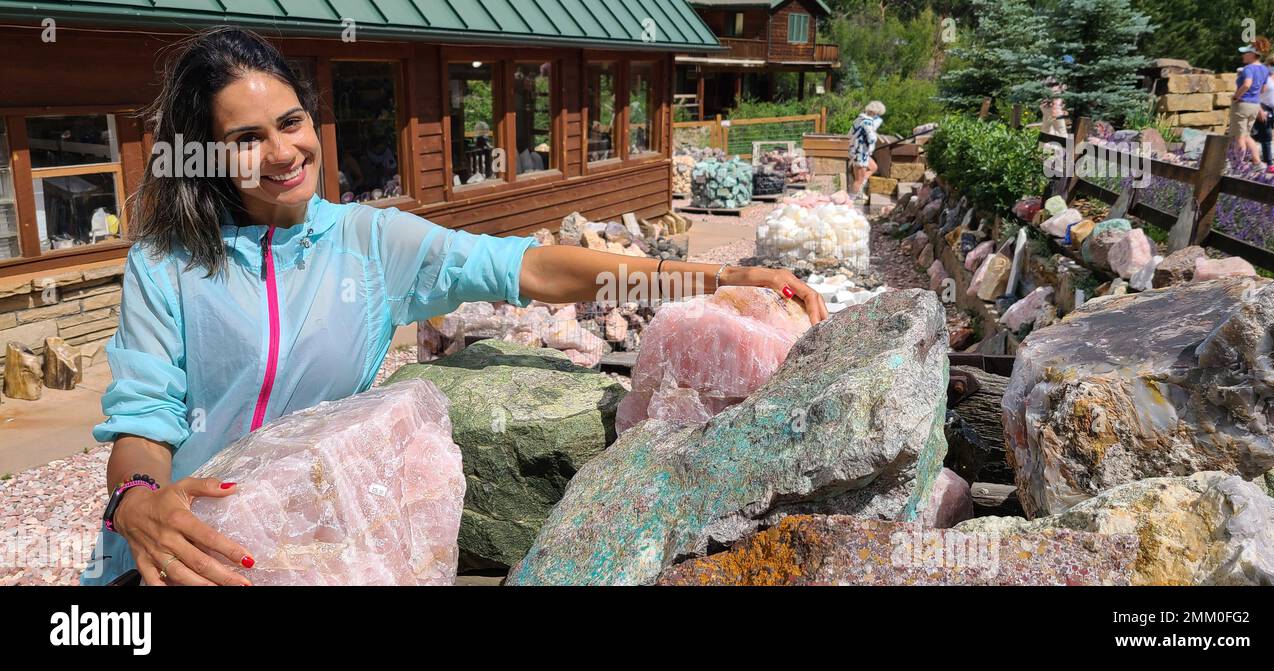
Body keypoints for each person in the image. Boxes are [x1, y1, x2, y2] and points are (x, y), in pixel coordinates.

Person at [81, 26, 827, 586]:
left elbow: (534, 270)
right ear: (204, 155)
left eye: (290, 123)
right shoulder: (166, 264)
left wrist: (712, 278)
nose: (282, 153)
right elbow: (144, 423)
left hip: (316, 547)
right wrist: (139, 500)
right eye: (245, 139)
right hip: (181, 555)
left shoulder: (373, 243)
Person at [1230, 38, 1274, 171]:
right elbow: (1264, 88)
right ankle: (1257, 163)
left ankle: (1237, 165)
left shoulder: (1248, 69)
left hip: (1243, 104)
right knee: (1246, 135)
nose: (1243, 55)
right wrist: (1255, 96)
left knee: (1239, 137)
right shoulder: (1265, 70)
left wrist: (1236, 96)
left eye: (1245, 52)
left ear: (1252, 54)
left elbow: (1247, 84)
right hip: (1254, 105)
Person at [849, 101, 885, 200]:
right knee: (858, 180)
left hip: (857, 151)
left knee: (873, 167)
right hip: (861, 152)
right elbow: (872, 138)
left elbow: (850, 134)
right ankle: (850, 201)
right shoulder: (868, 121)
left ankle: (859, 192)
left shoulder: (859, 119)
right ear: (875, 113)